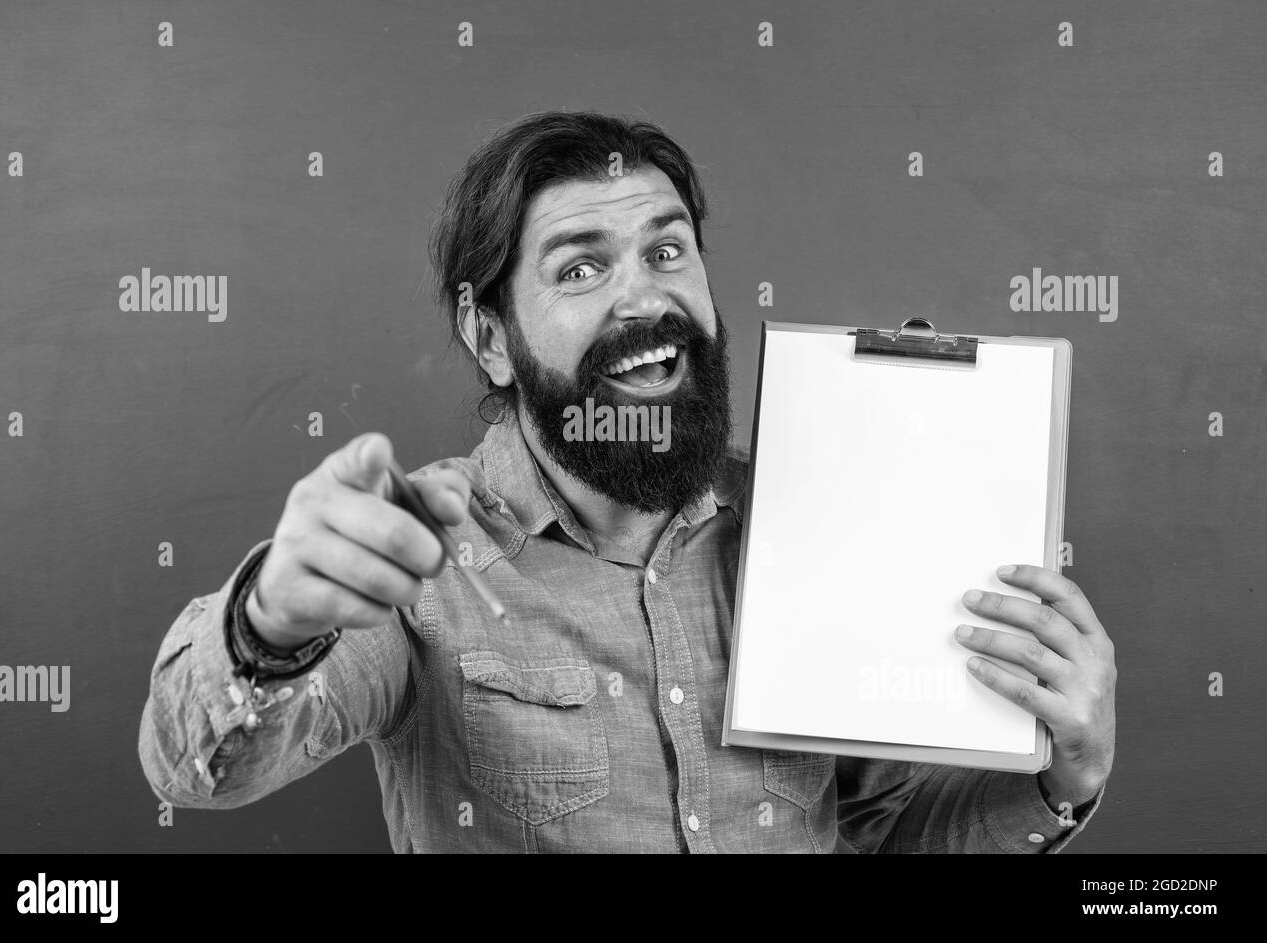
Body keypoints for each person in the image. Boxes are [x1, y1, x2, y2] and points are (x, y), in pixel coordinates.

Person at [138, 111, 1116, 853]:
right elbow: (195, 770)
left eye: (664, 249)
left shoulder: (818, 521)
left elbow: (884, 837)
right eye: (579, 270)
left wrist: (1061, 776)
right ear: (490, 339)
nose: (642, 295)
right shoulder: (414, 556)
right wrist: (263, 627)